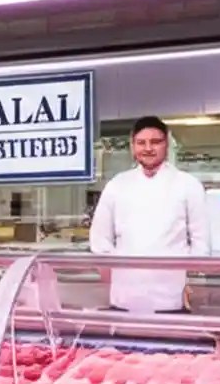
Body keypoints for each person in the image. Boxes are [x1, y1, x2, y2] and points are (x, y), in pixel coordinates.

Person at [89, 116, 209, 314]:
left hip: (171, 299)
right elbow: (99, 239)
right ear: (132, 146)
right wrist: (116, 278)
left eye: (155, 142)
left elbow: (201, 243)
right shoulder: (117, 185)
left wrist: (191, 282)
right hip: (123, 299)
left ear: (167, 145)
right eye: (141, 143)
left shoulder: (188, 185)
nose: (148, 148)